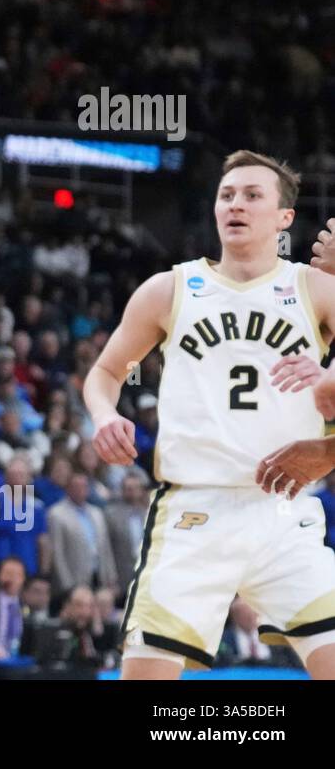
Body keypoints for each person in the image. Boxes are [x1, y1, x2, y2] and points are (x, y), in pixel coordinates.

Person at [85, 150, 335, 679]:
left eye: (252, 195)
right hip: (193, 511)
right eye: (227, 195)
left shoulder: (314, 290)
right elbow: (104, 374)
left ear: (284, 218)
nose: (235, 204)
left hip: (285, 512)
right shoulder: (167, 289)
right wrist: (104, 415)